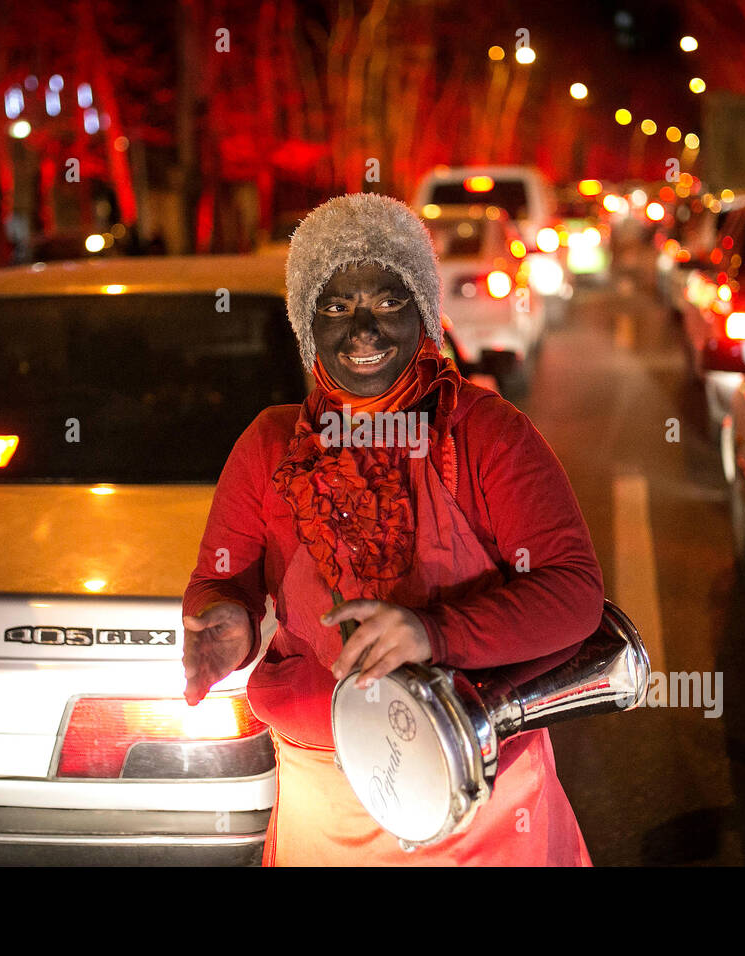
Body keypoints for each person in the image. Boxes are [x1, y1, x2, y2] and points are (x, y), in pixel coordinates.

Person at [182, 192, 603, 865]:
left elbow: (574, 594)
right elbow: (220, 580)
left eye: (388, 301)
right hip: (327, 811)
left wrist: (433, 634)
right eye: (337, 306)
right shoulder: (269, 445)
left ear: (425, 310)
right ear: (306, 322)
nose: (365, 331)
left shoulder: (487, 435)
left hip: (480, 800)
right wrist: (221, 618)